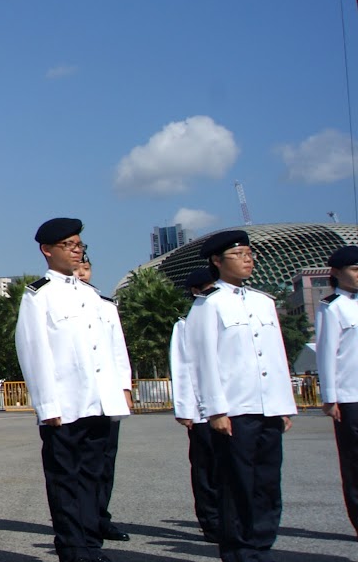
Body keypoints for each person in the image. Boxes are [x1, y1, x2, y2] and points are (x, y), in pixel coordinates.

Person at [13, 218, 129, 562]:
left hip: (99, 403)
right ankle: (74, 549)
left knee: (95, 478)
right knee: (66, 480)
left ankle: (91, 544)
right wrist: (47, 404)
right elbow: (32, 351)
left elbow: (112, 348)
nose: (77, 250)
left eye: (80, 245)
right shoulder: (39, 296)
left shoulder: (95, 298)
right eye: (69, 245)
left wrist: (121, 387)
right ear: (47, 251)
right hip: (65, 406)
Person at [189, 229, 297, 562]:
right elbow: (204, 359)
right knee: (237, 484)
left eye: (249, 253)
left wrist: (283, 404)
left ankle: (262, 543)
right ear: (217, 262)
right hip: (235, 408)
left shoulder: (263, 302)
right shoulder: (209, 304)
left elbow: (276, 356)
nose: (247, 259)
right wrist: (215, 410)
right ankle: (239, 550)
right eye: (238, 255)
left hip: (267, 406)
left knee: (267, 481)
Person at [74, 252, 132, 543]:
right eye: (78, 267)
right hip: (81, 396)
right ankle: (84, 522)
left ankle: (101, 516)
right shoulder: (58, 301)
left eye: (86, 267)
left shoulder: (106, 306)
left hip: (108, 394)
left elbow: (117, 350)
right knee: (82, 463)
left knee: (106, 460)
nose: (82, 272)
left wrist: (125, 387)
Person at [170, 267, 221, 544]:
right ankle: (210, 520)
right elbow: (182, 367)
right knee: (206, 467)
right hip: (202, 411)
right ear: (196, 292)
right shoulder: (186, 324)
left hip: (232, 408)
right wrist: (185, 409)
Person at [317, 244, 358, 539]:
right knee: (355, 464)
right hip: (350, 396)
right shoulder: (332, 307)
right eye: (355, 270)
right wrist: (330, 397)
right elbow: (326, 353)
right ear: (336, 273)